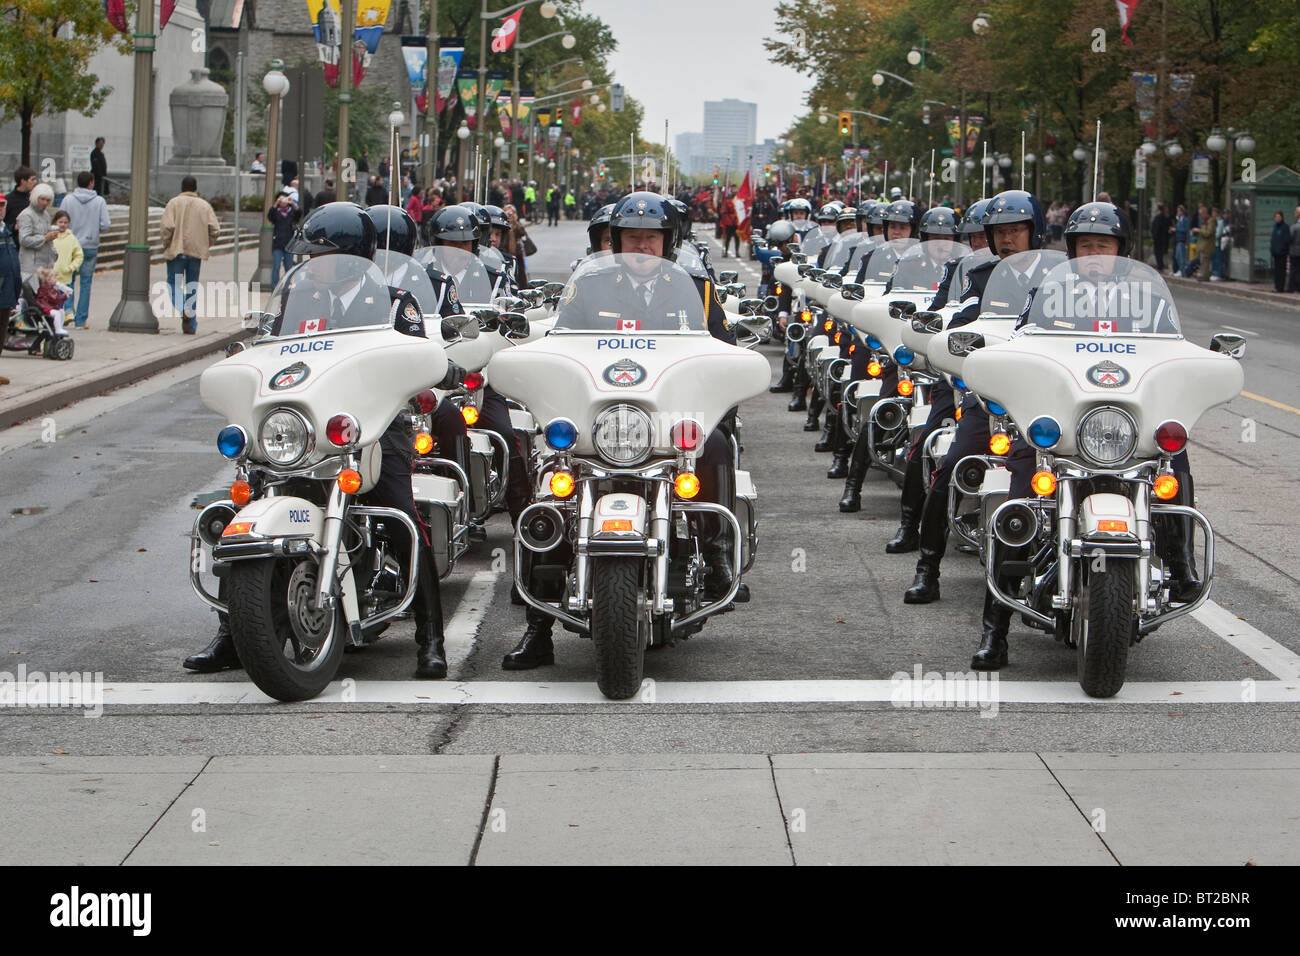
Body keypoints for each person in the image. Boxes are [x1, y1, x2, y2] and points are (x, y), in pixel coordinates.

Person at [186, 202, 462, 679]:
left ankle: (430, 639)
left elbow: (415, 358)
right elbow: (265, 353)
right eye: (309, 255)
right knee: (239, 509)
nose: (312, 264)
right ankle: (233, 633)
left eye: (323, 255)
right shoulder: (295, 303)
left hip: (370, 428)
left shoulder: (396, 302)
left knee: (402, 514)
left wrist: (428, 371)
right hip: (296, 431)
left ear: (355, 255)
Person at [503, 191, 738, 672]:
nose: (642, 247)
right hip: (600, 417)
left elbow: (723, 347)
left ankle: (714, 552)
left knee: (716, 445)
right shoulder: (588, 288)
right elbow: (559, 344)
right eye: (632, 237)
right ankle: (537, 627)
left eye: (651, 238)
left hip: (668, 416)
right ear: (616, 241)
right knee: (549, 483)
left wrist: (718, 393)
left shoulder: (693, 287)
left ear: (668, 242)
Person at [902, 189, 1047, 608]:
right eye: (999, 231)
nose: (1007, 239)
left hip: (1041, 400)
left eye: (1017, 230)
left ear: (1034, 232)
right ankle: (927, 568)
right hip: (991, 396)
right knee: (952, 467)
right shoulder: (982, 277)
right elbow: (961, 319)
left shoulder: (1059, 281)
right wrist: (953, 344)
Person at [159, 176, 221, 334]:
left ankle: (183, 308)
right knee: (191, 287)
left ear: (182, 187)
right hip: (196, 251)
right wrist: (205, 243)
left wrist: (167, 244)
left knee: (173, 283)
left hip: (177, 250)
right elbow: (215, 229)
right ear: (195, 188)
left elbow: (167, 227)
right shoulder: (204, 205)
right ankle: (190, 325)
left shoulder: (173, 203)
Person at [59, 171, 111, 329]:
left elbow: (60, 219)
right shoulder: (99, 201)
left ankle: (68, 311)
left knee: (68, 280)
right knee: (86, 283)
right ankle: (81, 320)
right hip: (90, 246)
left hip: (70, 245)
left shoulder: (67, 200)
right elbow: (106, 225)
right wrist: (94, 230)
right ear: (91, 183)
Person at [16, 182, 57, 282]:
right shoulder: (26, 215)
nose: (45, 203)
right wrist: (45, 238)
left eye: (48, 200)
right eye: (42, 199)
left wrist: (54, 254)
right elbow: (24, 239)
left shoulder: (46, 215)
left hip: (46, 268)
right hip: (30, 269)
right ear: (35, 197)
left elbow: (49, 241)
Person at [0, 199, 21, 383]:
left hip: (7, 290)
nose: (0, 210)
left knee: (1, 331)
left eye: (2, 206)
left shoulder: (6, 232)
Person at [268, 189, 300, 287]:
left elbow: (299, 213)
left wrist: (292, 203)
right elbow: (270, 216)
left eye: (285, 200)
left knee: (289, 268)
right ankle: (274, 288)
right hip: (277, 243)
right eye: (281, 200)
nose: (284, 202)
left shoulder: (291, 212)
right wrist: (276, 203)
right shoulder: (276, 212)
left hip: (289, 244)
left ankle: (287, 288)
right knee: (276, 267)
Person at [50, 211, 83, 292]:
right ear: (55, 222)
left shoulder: (72, 238)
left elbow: (79, 255)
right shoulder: (50, 236)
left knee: (64, 302)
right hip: (50, 277)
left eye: (65, 222)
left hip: (65, 278)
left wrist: (71, 268)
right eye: (60, 222)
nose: (63, 224)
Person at [6, 167, 38, 234]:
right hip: (14, 241)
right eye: (32, 179)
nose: (35, 182)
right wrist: (14, 227)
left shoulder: (35, 199)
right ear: (23, 181)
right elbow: (3, 224)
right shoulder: (8, 200)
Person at [1270, 210, 1290, 293]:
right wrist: (1272, 249)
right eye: (1276, 217)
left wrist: (1283, 249)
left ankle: (1280, 287)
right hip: (1275, 253)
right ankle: (1276, 286)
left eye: (1279, 217)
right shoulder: (1275, 227)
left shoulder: (1285, 227)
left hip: (1282, 253)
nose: (1277, 218)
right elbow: (1273, 240)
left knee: (1281, 271)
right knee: (1276, 271)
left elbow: (1286, 240)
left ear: (1282, 217)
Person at [1149, 202, 1170, 272]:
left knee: (1158, 252)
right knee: (1159, 252)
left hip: (1158, 238)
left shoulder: (1159, 217)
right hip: (1161, 238)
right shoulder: (1163, 216)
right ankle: (1160, 265)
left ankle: (1160, 266)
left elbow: (1157, 228)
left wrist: (1154, 236)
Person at [718, 191, 739, 258]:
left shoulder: (739, 202)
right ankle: (726, 252)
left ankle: (737, 252)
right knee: (728, 238)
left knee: (737, 238)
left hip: (736, 222)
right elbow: (723, 212)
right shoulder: (728, 202)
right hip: (729, 222)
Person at [1172, 204, 1189, 275]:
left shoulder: (1185, 220)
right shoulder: (1179, 220)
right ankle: (1180, 269)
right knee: (1177, 256)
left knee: (1181, 256)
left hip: (1182, 240)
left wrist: (1176, 229)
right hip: (1178, 239)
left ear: (1182, 212)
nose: (1178, 213)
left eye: (1179, 211)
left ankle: (1182, 271)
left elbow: (1185, 229)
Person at [1290, 206, 1300, 294]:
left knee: (1294, 270)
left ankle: (1295, 287)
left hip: (1295, 252)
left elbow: (1290, 238)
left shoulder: (1295, 227)